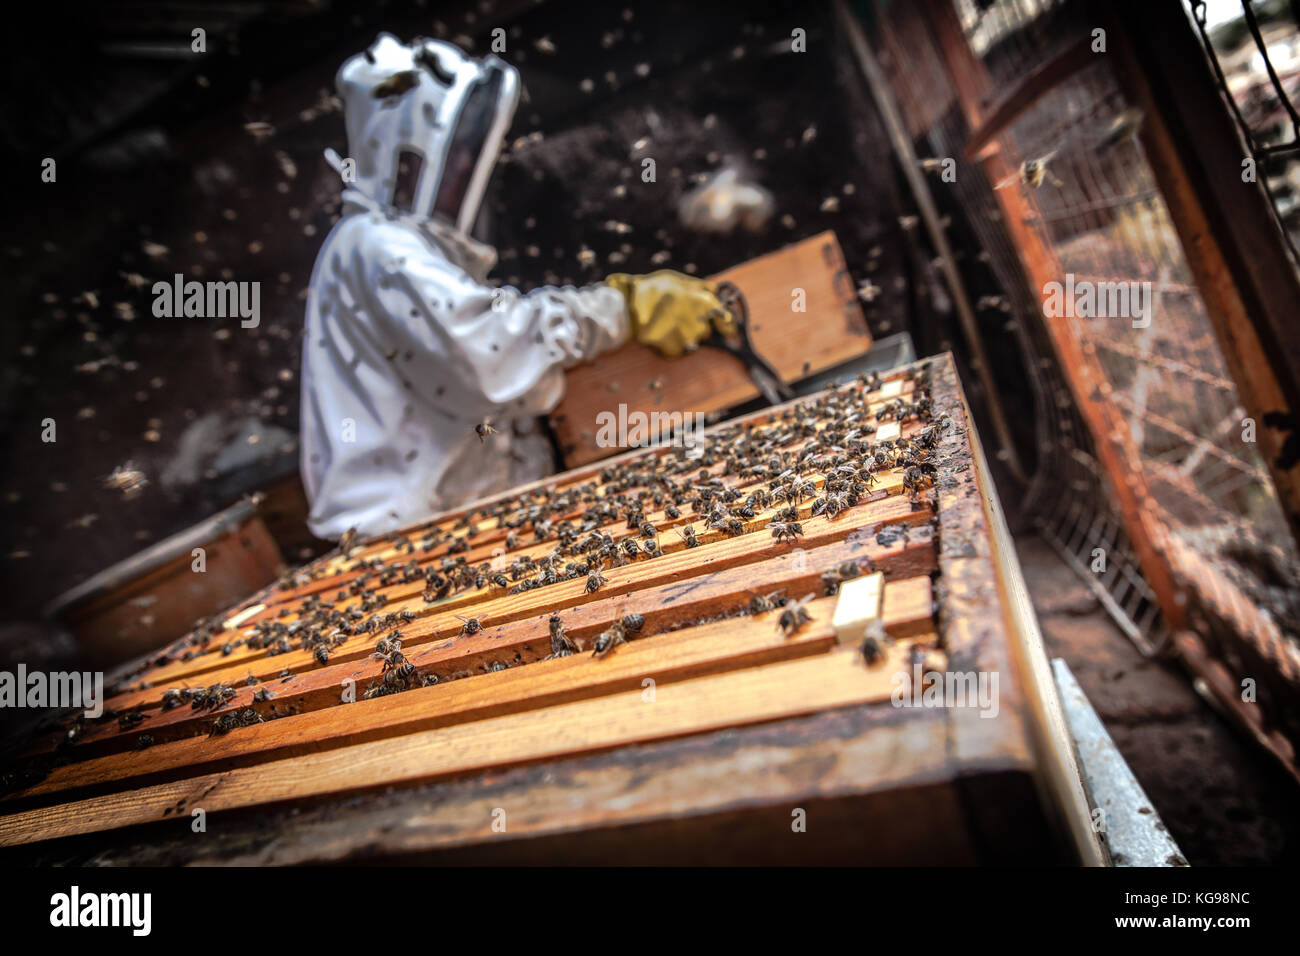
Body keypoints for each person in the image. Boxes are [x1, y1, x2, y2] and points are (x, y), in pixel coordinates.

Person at [300, 33, 730, 539]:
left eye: (468, 152)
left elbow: (504, 391)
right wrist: (622, 309)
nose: (465, 168)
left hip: (456, 532)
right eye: (455, 152)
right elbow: (493, 352)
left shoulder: (392, 251)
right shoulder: (374, 246)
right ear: (406, 157)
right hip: (401, 541)